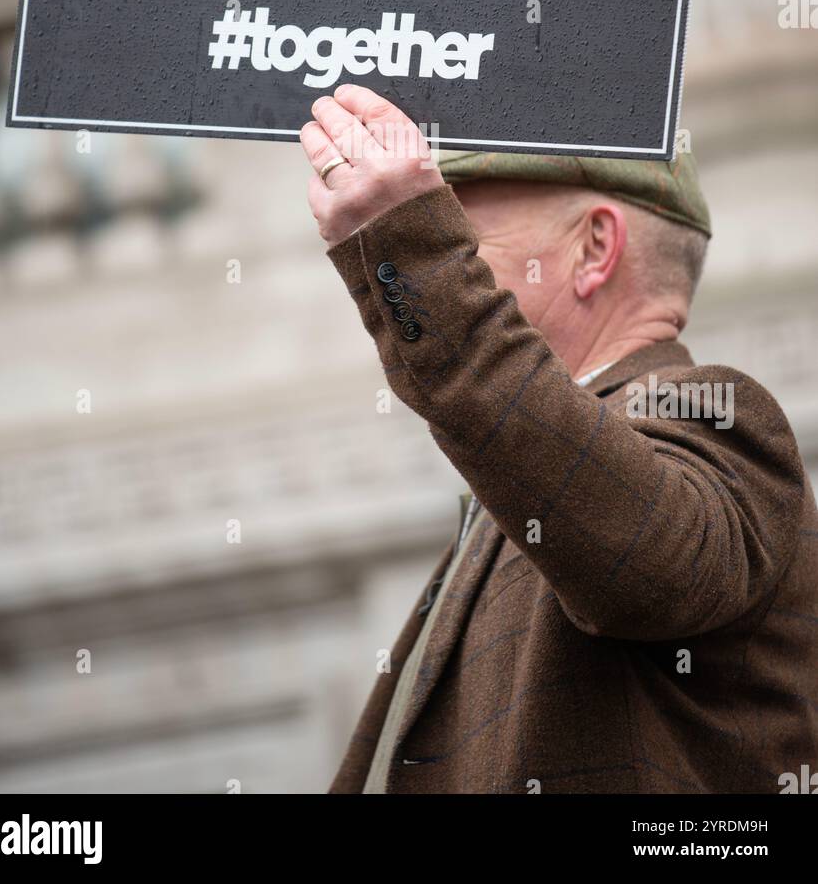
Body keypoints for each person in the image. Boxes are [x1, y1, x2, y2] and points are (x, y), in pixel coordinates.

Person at [300, 85, 818, 795]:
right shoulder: (528, 476)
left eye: (464, 248)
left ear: (595, 249)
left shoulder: (719, 419)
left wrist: (408, 246)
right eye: (445, 248)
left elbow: (644, 564)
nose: (451, 268)